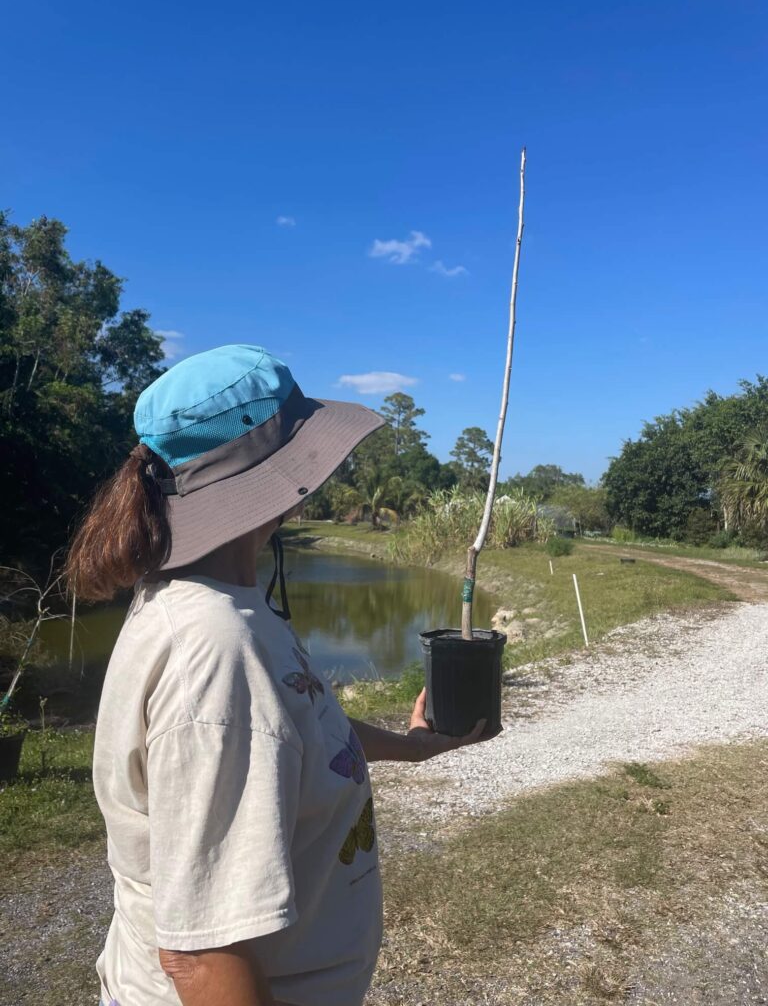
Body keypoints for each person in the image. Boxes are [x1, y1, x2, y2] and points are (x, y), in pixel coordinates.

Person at [67, 345, 491, 1006]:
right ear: (274, 478)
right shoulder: (215, 647)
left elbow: (296, 725)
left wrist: (412, 747)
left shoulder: (224, 603)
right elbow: (199, 954)